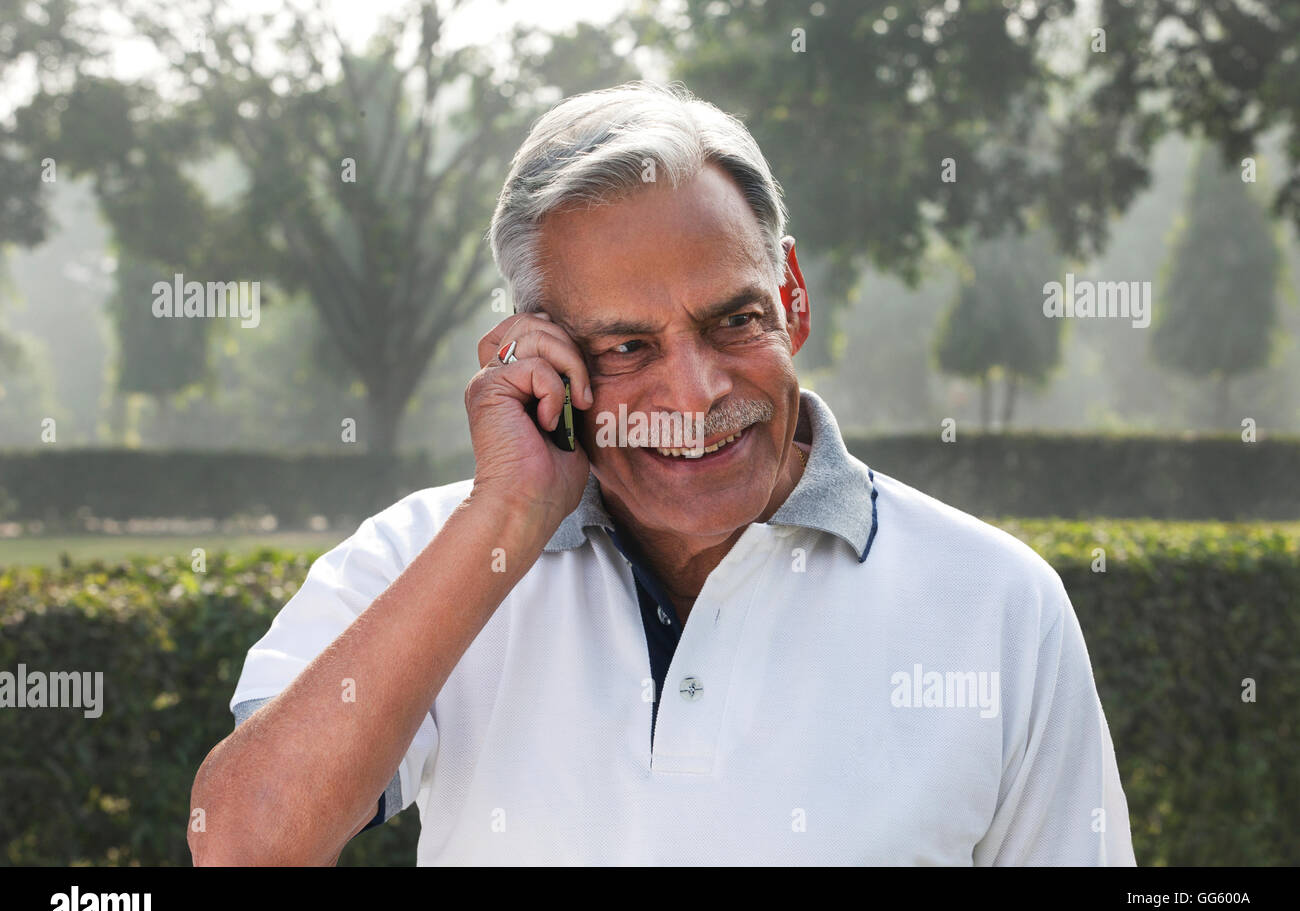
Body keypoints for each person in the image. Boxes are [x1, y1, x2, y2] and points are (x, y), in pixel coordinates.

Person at [189, 80, 1136, 866]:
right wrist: (510, 516)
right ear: (538, 354)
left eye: (735, 320)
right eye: (627, 345)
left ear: (793, 297)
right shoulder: (424, 554)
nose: (695, 393)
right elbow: (241, 848)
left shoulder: (998, 601)